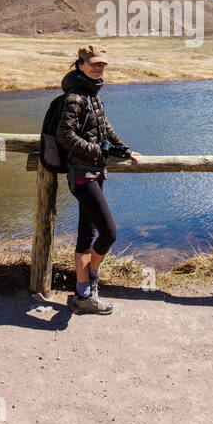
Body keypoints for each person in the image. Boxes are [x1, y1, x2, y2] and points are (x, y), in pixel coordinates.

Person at [56, 44, 142, 314]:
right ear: (80, 64)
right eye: (93, 63)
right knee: (109, 233)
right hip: (83, 176)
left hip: (93, 172)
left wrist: (124, 150)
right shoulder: (77, 96)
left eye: (102, 64)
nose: (98, 67)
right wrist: (98, 151)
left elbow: (105, 129)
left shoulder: (92, 93)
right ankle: (92, 276)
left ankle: (82, 296)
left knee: (86, 235)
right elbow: (65, 135)